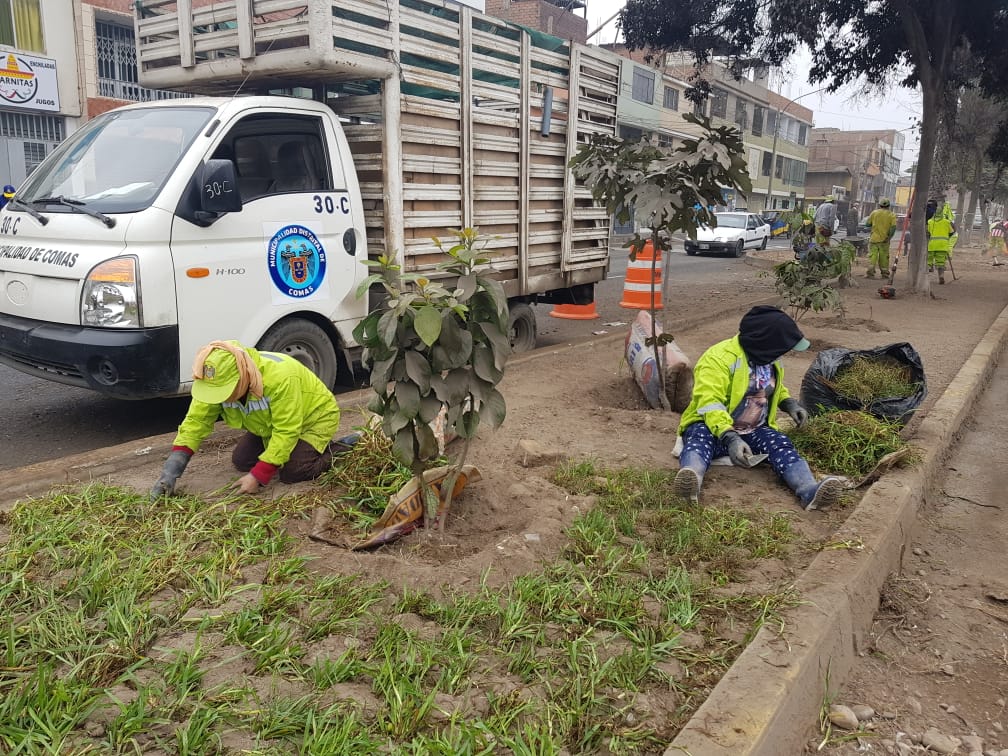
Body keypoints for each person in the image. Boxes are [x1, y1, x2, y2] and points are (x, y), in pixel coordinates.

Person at [673, 306, 844, 511]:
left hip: (753, 429)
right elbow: (709, 404)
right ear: (764, 344)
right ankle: (691, 480)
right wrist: (730, 437)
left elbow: (773, 387)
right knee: (699, 441)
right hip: (714, 428)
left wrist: (787, 402)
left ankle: (808, 490)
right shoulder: (717, 359)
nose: (784, 353)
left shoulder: (770, 360)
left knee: (781, 445)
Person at [151, 340, 347, 498]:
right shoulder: (214, 379)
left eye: (225, 391)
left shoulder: (281, 378)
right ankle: (298, 452)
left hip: (314, 418)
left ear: (243, 377)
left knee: (293, 472)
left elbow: (287, 430)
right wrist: (170, 473)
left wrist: (258, 476)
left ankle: (342, 448)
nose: (221, 398)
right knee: (242, 461)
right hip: (268, 425)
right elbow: (195, 422)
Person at [865, 197, 897, 278]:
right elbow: (893, 228)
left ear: (880, 205)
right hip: (885, 240)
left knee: (873, 256)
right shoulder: (892, 215)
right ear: (889, 206)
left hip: (874, 239)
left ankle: (870, 273)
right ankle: (884, 274)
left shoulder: (874, 213)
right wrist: (889, 237)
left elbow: (867, 224)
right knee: (884, 257)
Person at [927, 203, 956, 284]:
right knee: (941, 262)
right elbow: (952, 232)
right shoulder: (946, 222)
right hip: (943, 245)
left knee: (928, 262)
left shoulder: (930, 222)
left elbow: (928, 232)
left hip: (932, 245)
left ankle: (925, 278)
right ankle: (941, 276)